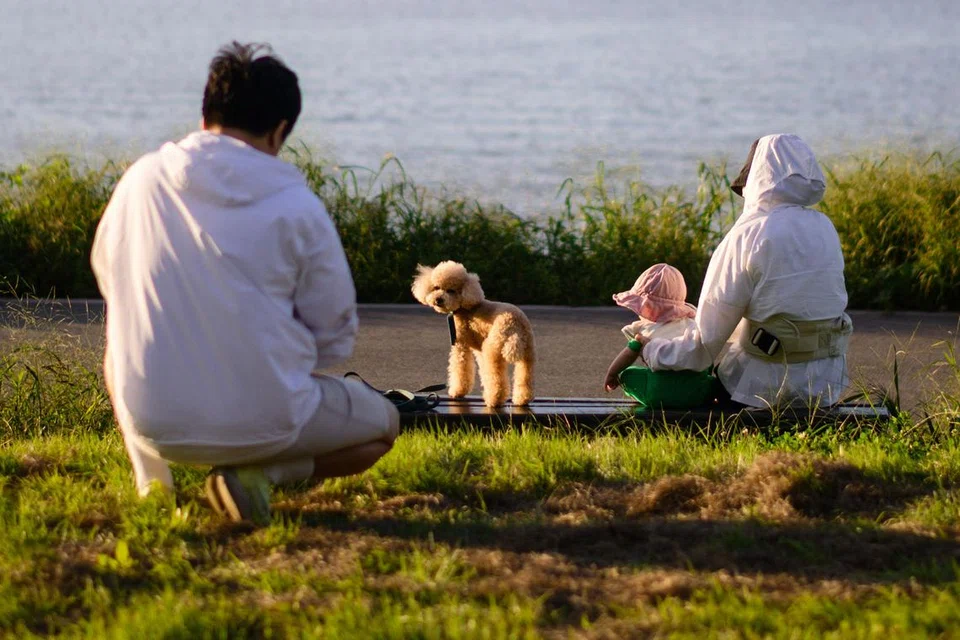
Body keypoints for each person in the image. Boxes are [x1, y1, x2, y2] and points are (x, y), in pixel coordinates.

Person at [91, 42, 400, 525]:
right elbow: (335, 335)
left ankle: (153, 488)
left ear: (205, 115)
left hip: (150, 422)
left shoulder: (140, 179)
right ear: (280, 131)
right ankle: (260, 476)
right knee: (384, 426)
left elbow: (113, 280)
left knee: (123, 337)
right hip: (267, 424)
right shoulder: (298, 205)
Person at [636, 134, 852, 409]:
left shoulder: (748, 234)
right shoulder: (825, 228)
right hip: (824, 387)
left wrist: (652, 349)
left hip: (762, 386)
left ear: (757, 180)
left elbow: (704, 344)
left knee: (700, 399)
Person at [603, 263, 698, 392]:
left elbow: (629, 354)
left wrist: (612, 374)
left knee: (628, 374)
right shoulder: (692, 325)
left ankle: (643, 395)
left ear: (646, 308)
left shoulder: (644, 331)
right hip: (695, 392)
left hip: (659, 391)